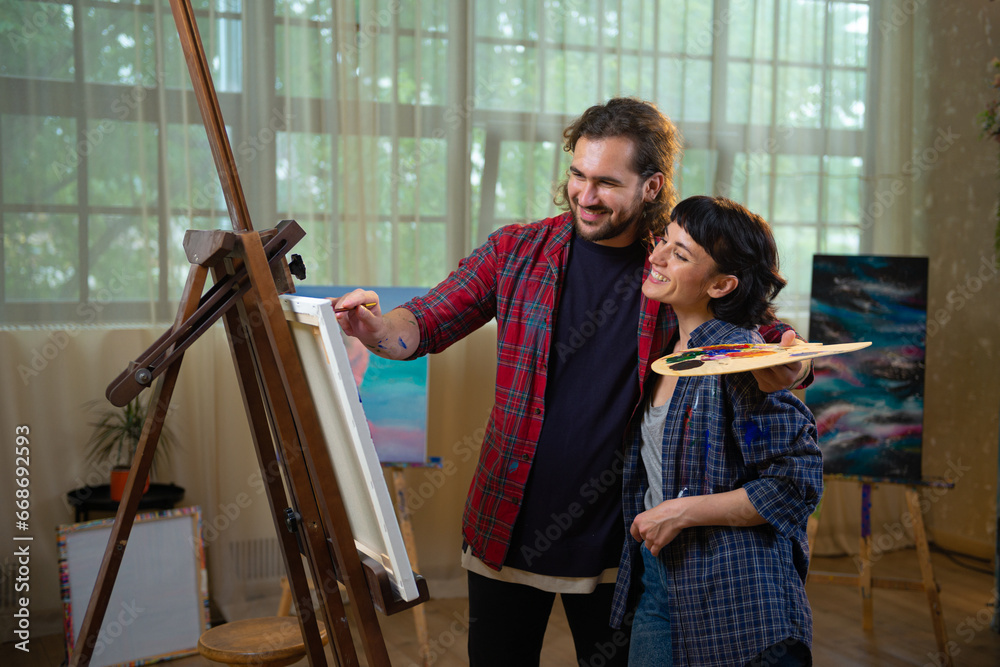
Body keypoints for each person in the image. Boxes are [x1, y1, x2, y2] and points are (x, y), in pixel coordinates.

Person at [334, 98, 812, 667]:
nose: (585, 196)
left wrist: (798, 366)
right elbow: (424, 323)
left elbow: (765, 335)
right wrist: (375, 328)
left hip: (619, 541)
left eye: (607, 182)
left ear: (652, 186)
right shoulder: (516, 250)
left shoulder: (671, 267)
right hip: (505, 527)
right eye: (578, 175)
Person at [613, 196, 823, 667]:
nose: (658, 256)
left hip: (738, 598)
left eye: (680, 254)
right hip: (659, 587)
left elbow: (795, 485)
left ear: (723, 284)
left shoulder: (740, 360)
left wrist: (682, 513)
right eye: (664, 240)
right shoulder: (667, 349)